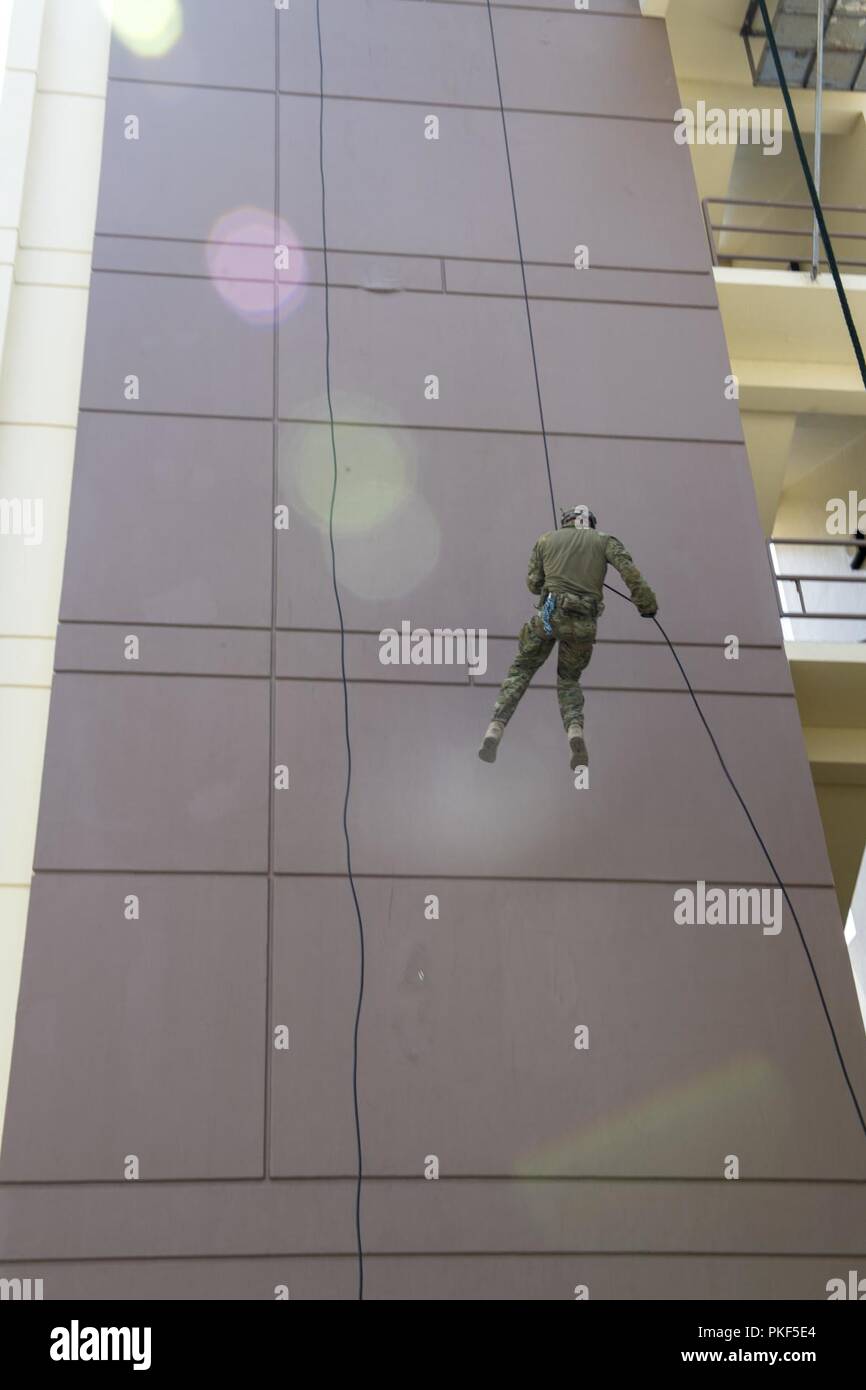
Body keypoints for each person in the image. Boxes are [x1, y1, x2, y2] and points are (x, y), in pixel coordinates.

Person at [478, 506, 658, 770]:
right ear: (591, 523)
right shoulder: (605, 541)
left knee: (522, 670)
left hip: (550, 612)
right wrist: (646, 605)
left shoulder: (546, 540)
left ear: (566, 521)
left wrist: (556, 576)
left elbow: (533, 584)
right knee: (569, 680)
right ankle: (575, 731)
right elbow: (630, 573)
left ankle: (495, 727)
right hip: (583, 621)